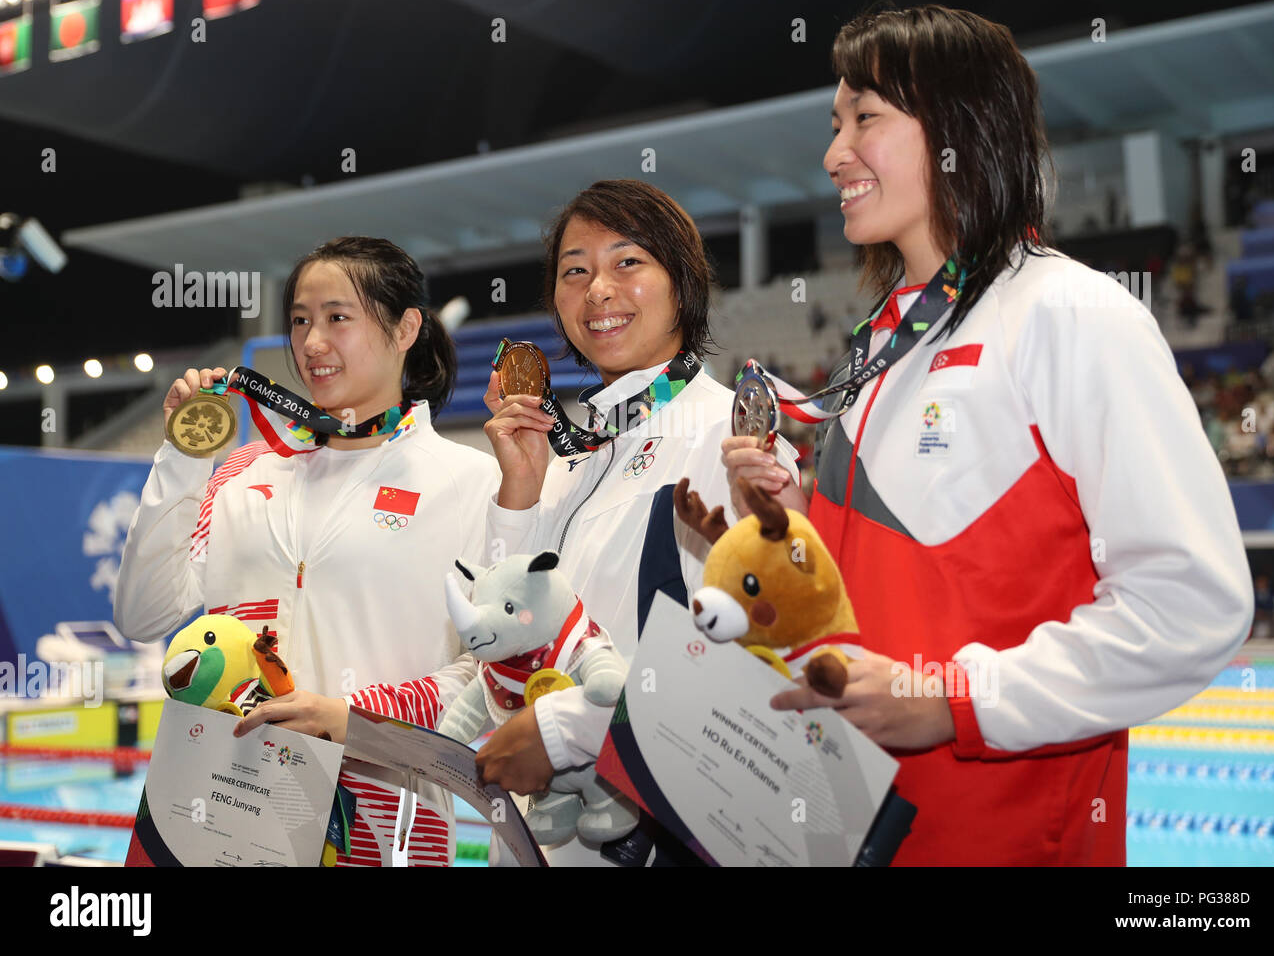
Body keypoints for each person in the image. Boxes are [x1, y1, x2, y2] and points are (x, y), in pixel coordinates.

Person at [725, 5, 1252, 865]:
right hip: (853, 828)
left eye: (865, 119)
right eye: (834, 124)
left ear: (956, 133)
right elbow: (892, 599)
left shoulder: (1070, 314)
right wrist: (794, 520)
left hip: (1003, 836)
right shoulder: (883, 343)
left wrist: (952, 700)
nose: (832, 155)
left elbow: (1194, 603)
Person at [402, 179, 801, 866]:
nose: (597, 290)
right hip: (541, 839)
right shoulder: (569, 453)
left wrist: (569, 727)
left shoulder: (730, 440)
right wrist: (519, 493)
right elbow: (504, 640)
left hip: (668, 834)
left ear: (682, 282)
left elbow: (760, 664)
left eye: (627, 263)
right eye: (575, 271)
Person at [115, 236, 500, 866]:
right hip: (223, 809)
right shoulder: (240, 471)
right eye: (300, 320)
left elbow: (487, 668)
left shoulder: (468, 482)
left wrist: (352, 717)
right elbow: (141, 615)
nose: (312, 343)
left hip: (381, 822)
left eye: (337, 318)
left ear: (406, 328)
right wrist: (184, 463)